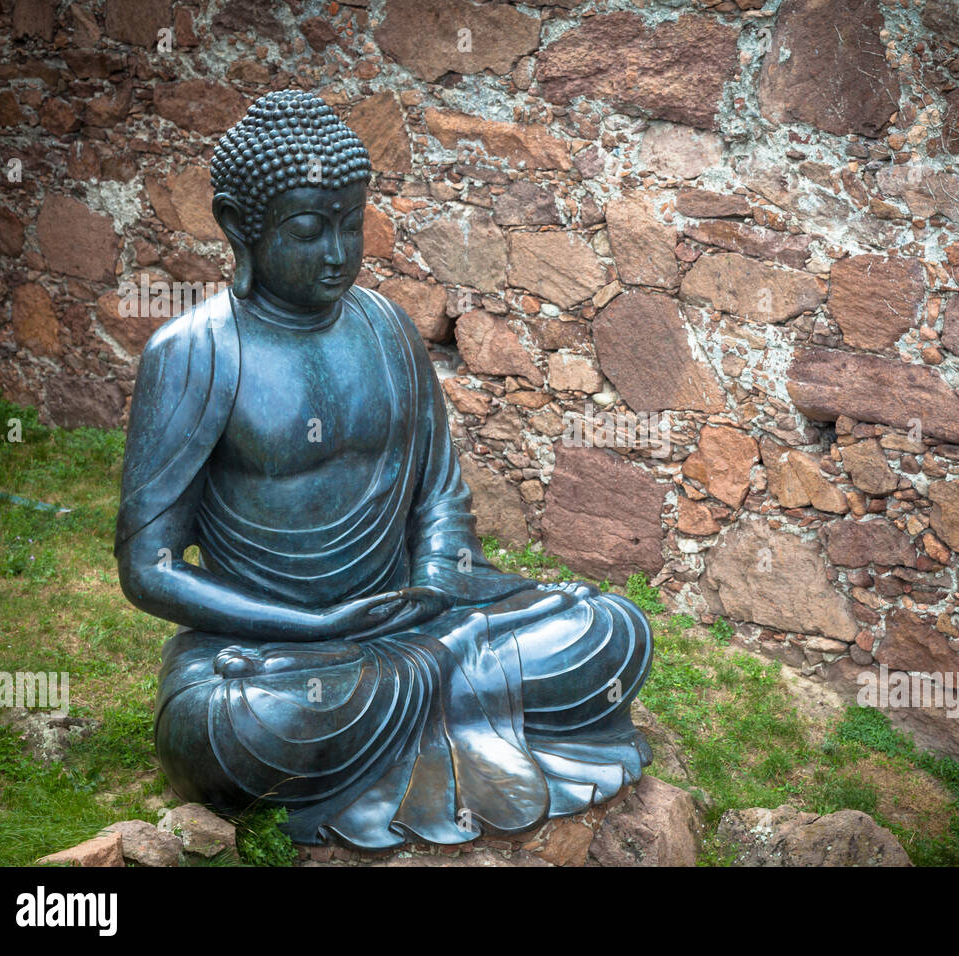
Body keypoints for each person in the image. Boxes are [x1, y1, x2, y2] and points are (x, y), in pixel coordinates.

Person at [114, 90, 652, 849]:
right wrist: (313, 624)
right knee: (225, 730)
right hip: (276, 656)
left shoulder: (387, 327)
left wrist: (434, 580)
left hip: (412, 620)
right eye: (308, 230)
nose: (338, 253)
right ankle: (455, 711)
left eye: (350, 225)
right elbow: (149, 566)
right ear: (240, 226)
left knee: (607, 630)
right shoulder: (195, 354)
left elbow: (440, 491)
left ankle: (444, 695)